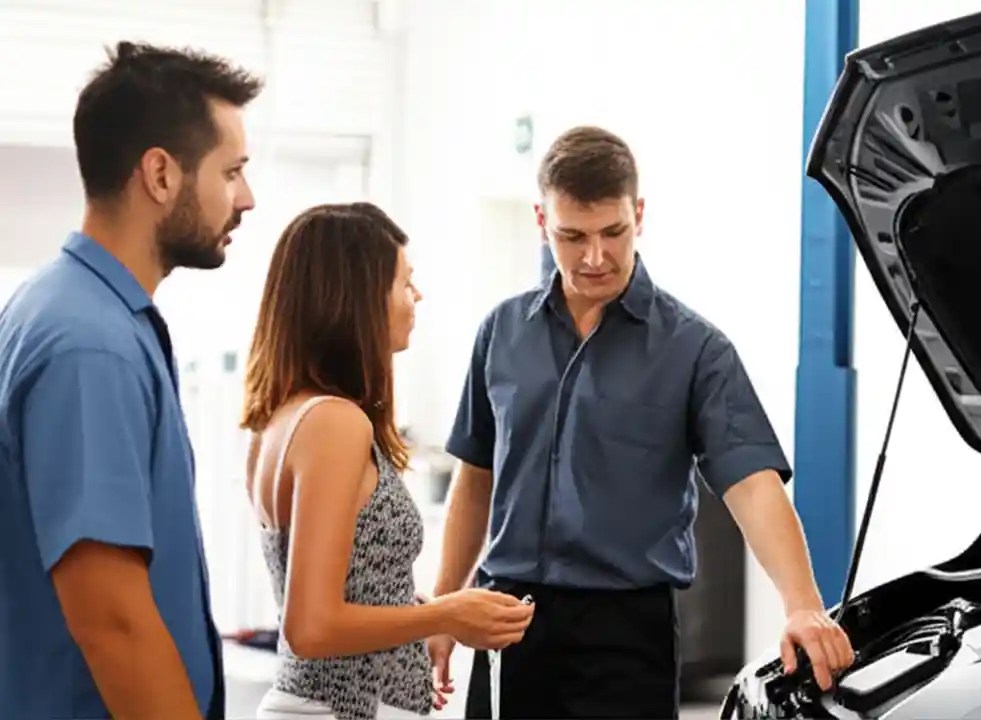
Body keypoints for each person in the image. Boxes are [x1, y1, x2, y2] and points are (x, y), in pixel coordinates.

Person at [431, 125, 857, 719]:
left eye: (613, 232)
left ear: (640, 214)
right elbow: (475, 478)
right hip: (507, 623)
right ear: (540, 220)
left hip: (627, 634)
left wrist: (803, 604)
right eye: (571, 236)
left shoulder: (696, 349)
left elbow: (752, 484)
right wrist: (446, 608)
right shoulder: (500, 334)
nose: (595, 256)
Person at [0, 42, 261, 719]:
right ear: (161, 175)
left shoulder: (83, 313)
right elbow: (111, 621)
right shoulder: (89, 345)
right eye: (231, 172)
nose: (247, 198)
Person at [240, 202, 536, 720]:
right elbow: (310, 626)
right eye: (404, 282)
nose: (416, 296)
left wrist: (423, 616)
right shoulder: (335, 423)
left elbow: (344, 590)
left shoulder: (282, 417)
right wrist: (446, 612)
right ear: (356, 297)